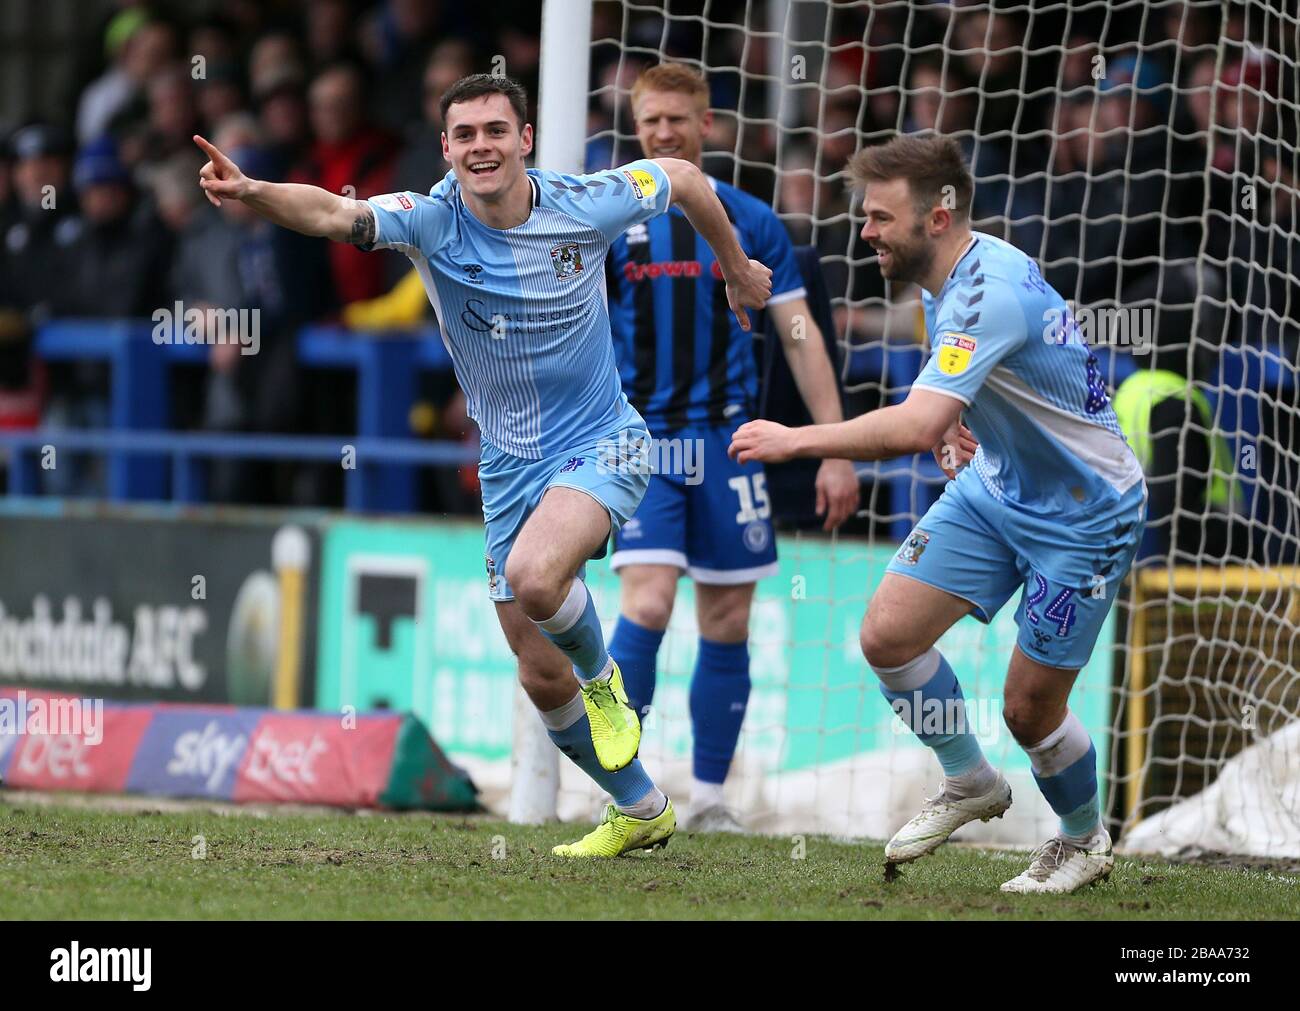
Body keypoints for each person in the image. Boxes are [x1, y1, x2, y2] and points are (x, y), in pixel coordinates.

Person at [193, 73, 773, 857]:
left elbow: (684, 177)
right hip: (507, 468)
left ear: (525, 139)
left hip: (605, 439)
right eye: (464, 135)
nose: (481, 146)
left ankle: (608, 686)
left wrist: (734, 267)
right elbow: (335, 212)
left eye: (495, 130)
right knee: (537, 670)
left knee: (540, 580)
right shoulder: (429, 220)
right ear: (446, 149)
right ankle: (641, 806)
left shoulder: (585, 200)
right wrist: (255, 190)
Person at [729, 134, 1146, 894]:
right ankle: (970, 782)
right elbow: (958, 400)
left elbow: (916, 426)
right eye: (864, 216)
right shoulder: (936, 278)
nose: (865, 232)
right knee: (888, 635)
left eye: (880, 217)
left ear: (940, 215)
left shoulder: (990, 291)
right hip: (998, 485)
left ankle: (1083, 840)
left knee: (1028, 707)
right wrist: (964, 424)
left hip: (1084, 514)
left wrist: (798, 440)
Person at [604, 63, 859, 831]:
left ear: (705, 126)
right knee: (645, 602)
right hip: (639, 440)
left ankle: (710, 796)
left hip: (728, 442)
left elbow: (801, 335)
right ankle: (622, 788)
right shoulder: (607, 219)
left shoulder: (750, 219)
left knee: (727, 621)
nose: (663, 133)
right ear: (636, 125)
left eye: (678, 120)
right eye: (651, 121)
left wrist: (835, 448)